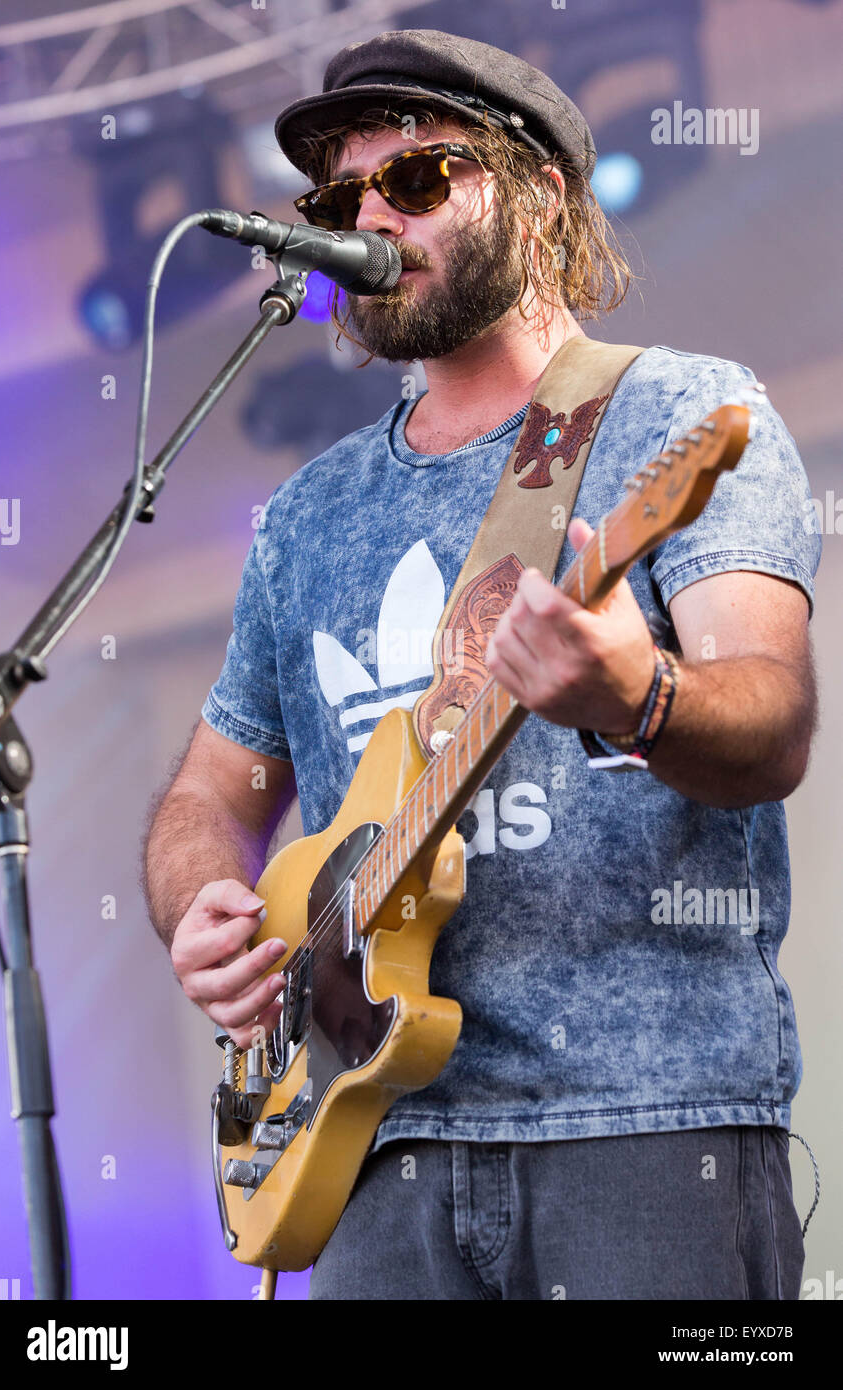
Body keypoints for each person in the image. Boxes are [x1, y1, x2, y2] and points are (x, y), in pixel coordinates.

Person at [143, 30, 820, 1300]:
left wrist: (639, 692)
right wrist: (202, 914)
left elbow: (772, 726)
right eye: (343, 200)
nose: (370, 220)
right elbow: (203, 800)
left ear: (539, 194)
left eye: (416, 180)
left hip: (641, 1131)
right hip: (366, 1150)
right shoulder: (305, 514)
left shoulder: (672, 413)